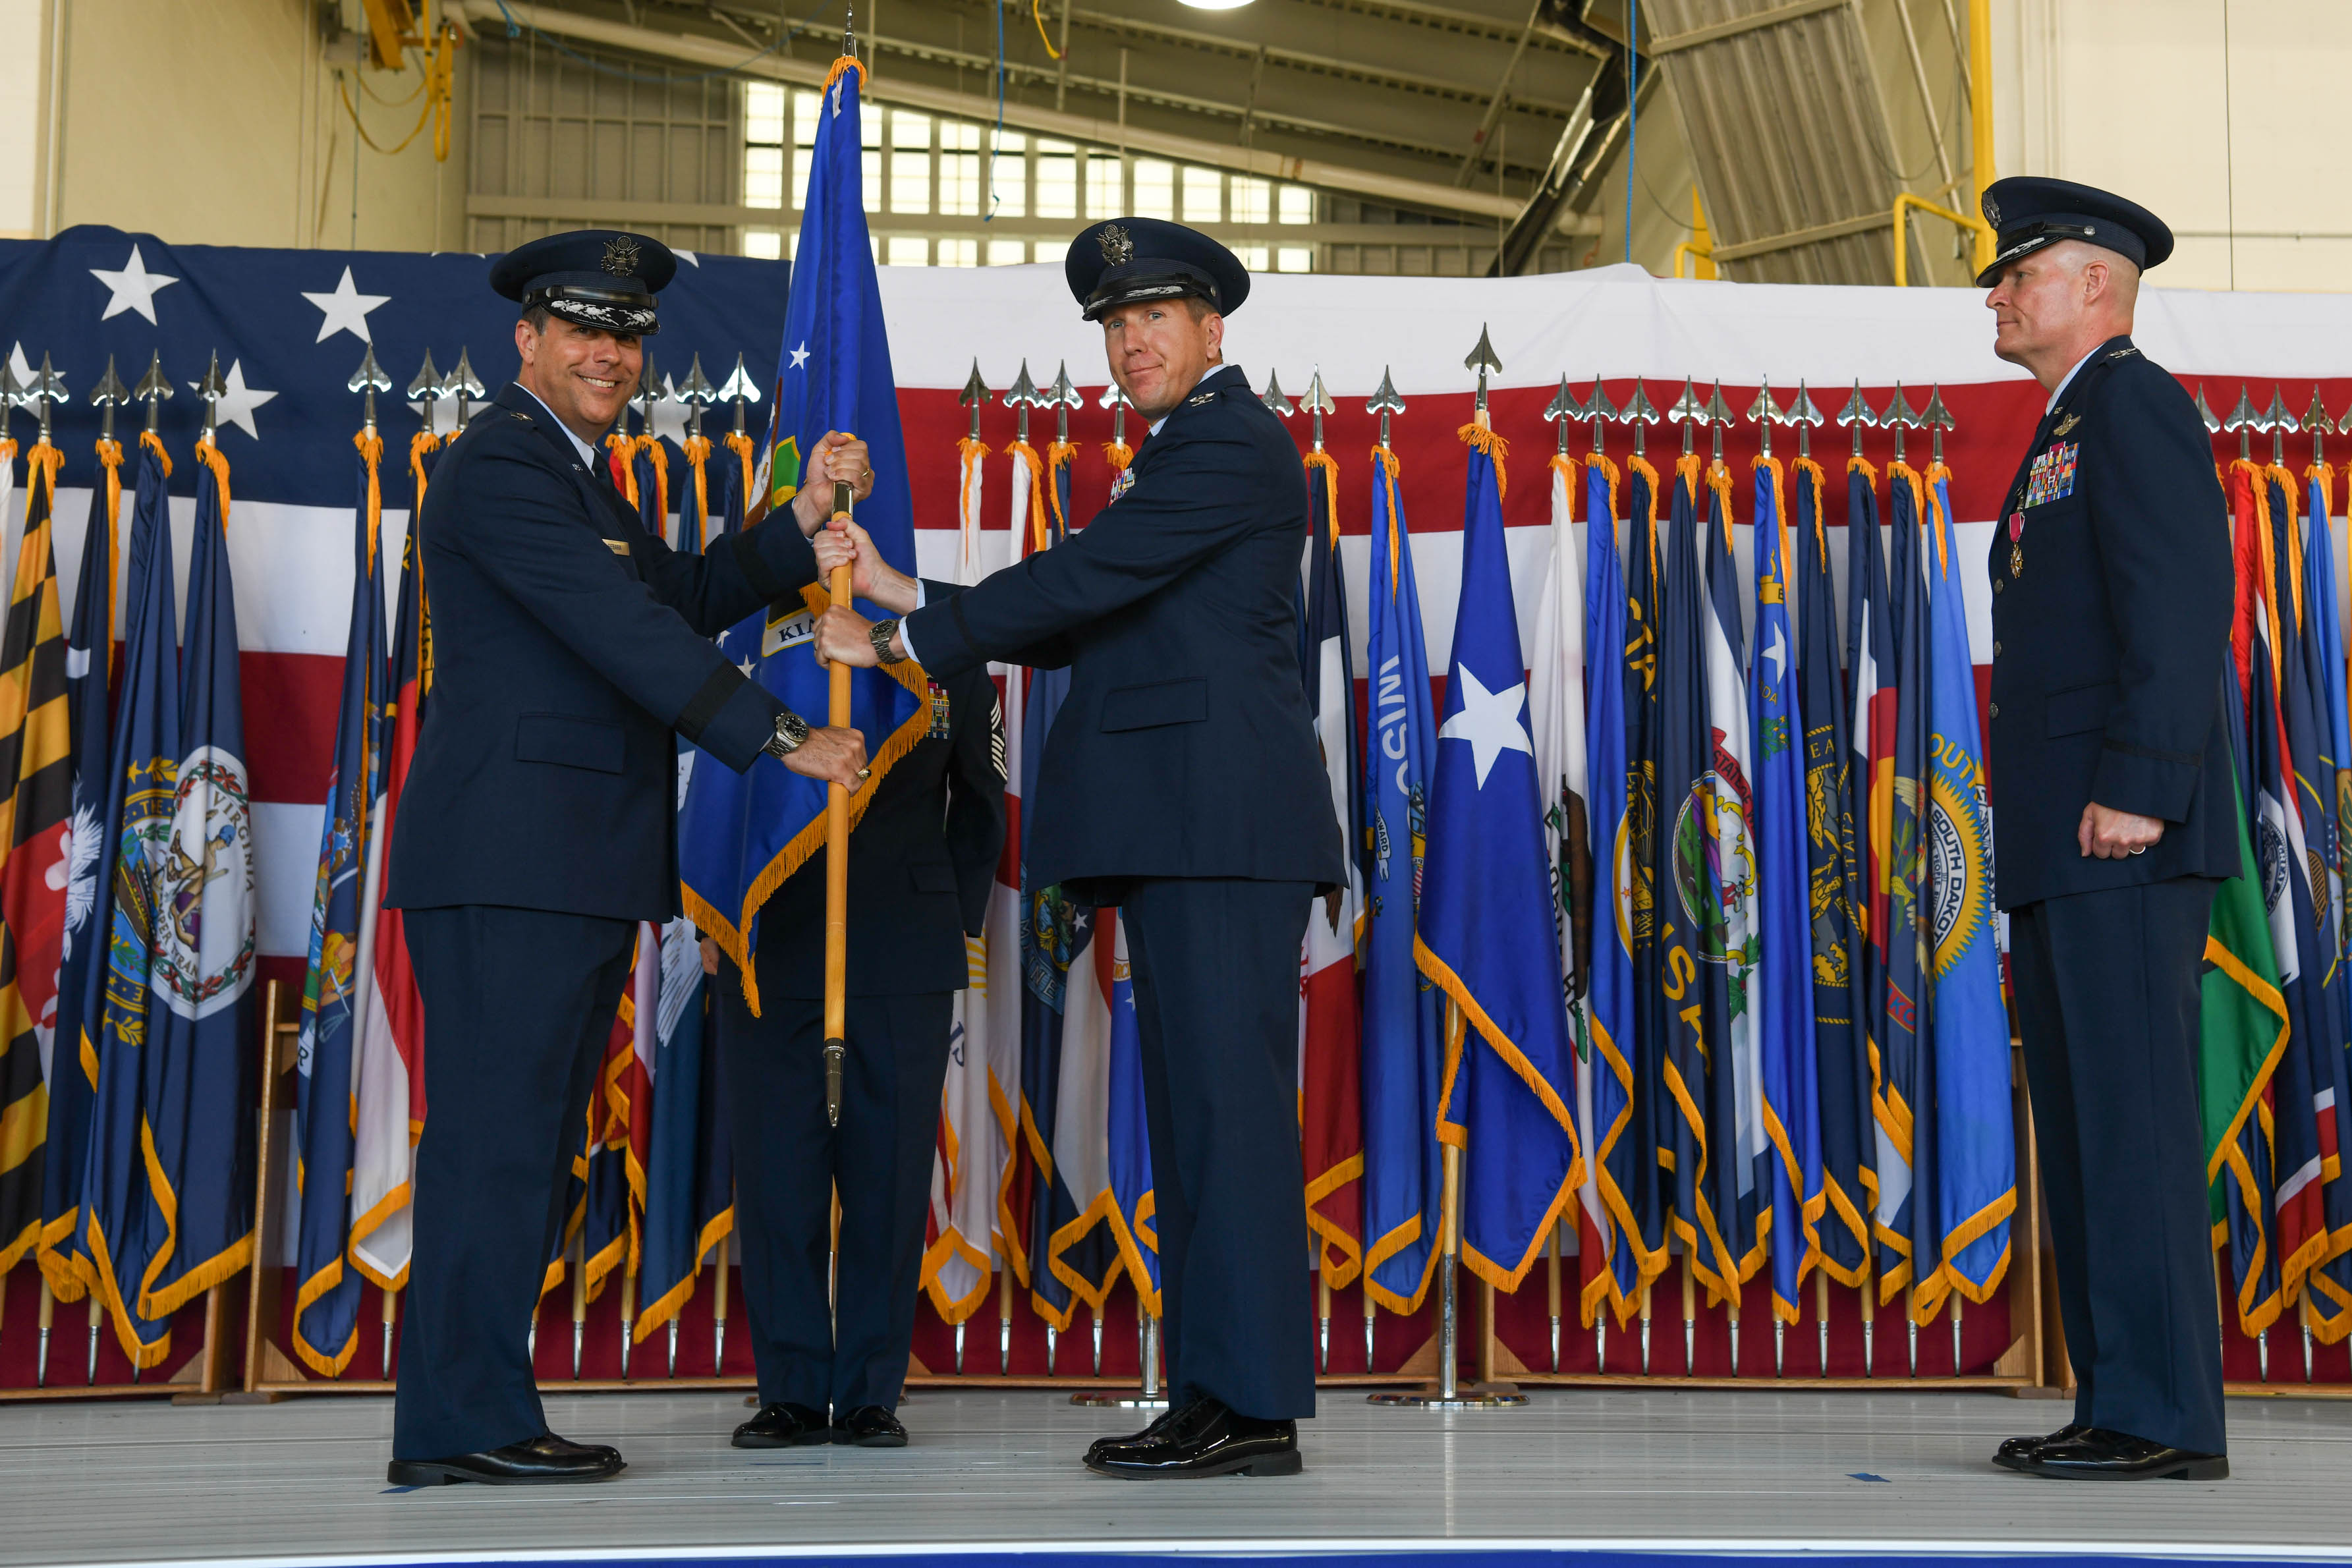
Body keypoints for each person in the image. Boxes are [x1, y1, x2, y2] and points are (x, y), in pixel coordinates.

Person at [813, 217, 1343, 1478]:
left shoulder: (1225, 446)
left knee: (1227, 1123)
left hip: (1219, 831)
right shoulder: (1176, 456)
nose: (1129, 340)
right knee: (1203, 1122)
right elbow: (1087, 613)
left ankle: (1251, 1405)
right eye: (1114, 323)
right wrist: (902, 596)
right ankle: (1224, 1394)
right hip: (1187, 831)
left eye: (1154, 316)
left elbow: (1086, 584)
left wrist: (894, 640)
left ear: (1215, 329)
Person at [383, 229, 870, 1487]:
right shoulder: (500, 464)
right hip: (510, 860)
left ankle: (478, 1412)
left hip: (564, 861)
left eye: (627, 333)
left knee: (530, 1143)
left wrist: (800, 521)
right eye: (582, 329)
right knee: (499, 1142)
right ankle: (461, 1426)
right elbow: (618, 629)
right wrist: (780, 736)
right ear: (527, 342)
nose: (609, 351)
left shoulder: (582, 476)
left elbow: (684, 588)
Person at [1977, 178, 2236, 1482]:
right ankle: (2116, 1393)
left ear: (2095, 284)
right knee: (2088, 1127)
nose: (1998, 292)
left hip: (2123, 831)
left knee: (2131, 1124)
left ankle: (2165, 1415)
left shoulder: (2131, 403)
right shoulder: (2069, 422)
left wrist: (2139, 780)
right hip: (2068, 839)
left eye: (2023, 272)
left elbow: (2184, 606)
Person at [713, 558, 1005, 1451]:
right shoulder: (748, 635)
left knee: (886, 1170)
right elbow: (715, 794)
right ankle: (792, 1389)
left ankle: (872, 1388)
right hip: (771, 928)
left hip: (902, 936)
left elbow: (979, 806)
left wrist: (949, 921)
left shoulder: (937, 639)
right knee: (777, 1173)